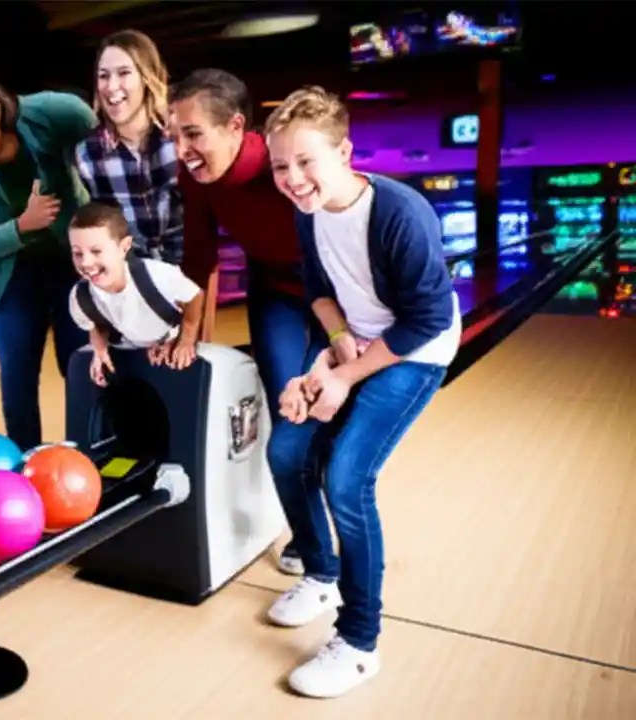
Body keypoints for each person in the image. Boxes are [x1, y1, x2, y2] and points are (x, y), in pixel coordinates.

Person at [262, 86, 461, 698]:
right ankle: (321, 573)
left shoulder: (399, 213)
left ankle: (358, 643)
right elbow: (317, 286)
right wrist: (339, 340)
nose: (293, 179)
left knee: (346, 477)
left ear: (344, 152)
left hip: (416, 351)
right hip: (359, 340)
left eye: (305, 162)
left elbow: (426, 319)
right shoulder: (308, 210)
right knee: (286, 452)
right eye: (279, 166)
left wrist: (346, 375)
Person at [167, 68, 317, 575]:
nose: (182, 149)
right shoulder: (196, 178)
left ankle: (338, 511)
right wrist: (188, 336)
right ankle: (307, 530)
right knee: (288, 407)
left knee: (329, 408)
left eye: (193, 134)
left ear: (235, 126)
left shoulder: (282, 163)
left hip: (332, 288)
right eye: (176, 135)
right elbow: (198, 259)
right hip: (275, 287)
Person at [0, 77, 98, 450]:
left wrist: (16, 106)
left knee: (81, 367)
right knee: (17, 380)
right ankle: (27, 466)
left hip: (69, 265)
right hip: (12, 278)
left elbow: (86, 116)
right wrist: (20, 227)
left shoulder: (38, 118)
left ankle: (94, 454)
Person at [73, 29, 183, 264]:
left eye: (124, 73)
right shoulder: (88, 154)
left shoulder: (178, 138)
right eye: (103, 76)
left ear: (147, 77)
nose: (111, 86)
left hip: (188, 275)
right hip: (131, 279)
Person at [66, 202, 204, 386]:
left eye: (96, 251)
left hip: (168, 343)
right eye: (77, 253)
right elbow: (93, 325)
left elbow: (195, 296)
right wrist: (99, 350)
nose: (86, 262)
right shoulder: (80, 296)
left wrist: (185, 340)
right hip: (126, 352)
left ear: (125, 247)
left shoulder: (158, 275)